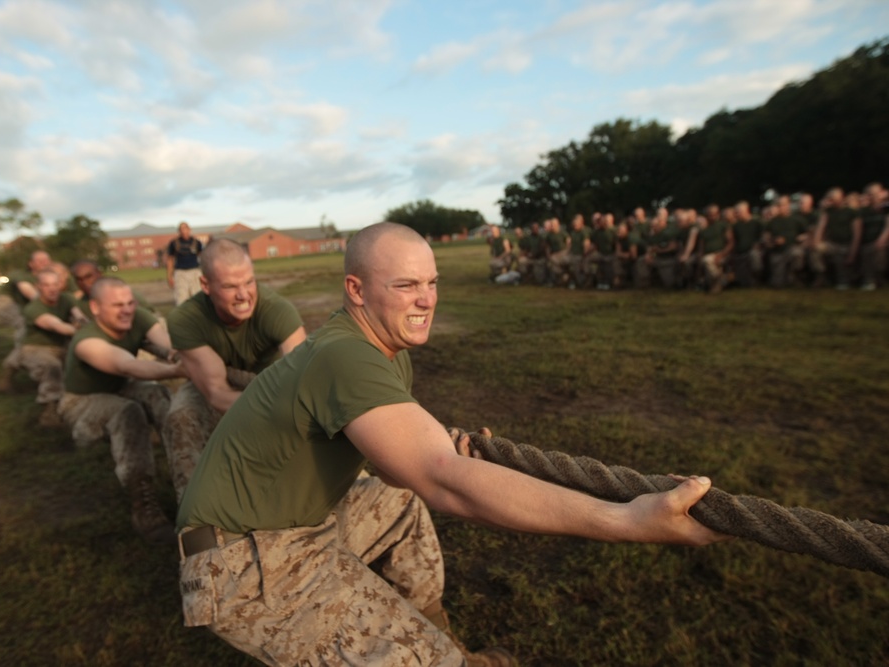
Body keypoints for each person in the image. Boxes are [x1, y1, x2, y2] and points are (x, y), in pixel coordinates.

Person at [175, 222, 726, 666]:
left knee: (398, 505)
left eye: (432, 282)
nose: (426, 299)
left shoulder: (386, 352)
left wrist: (439, 453)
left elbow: (404, 474)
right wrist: (627, 520)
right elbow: (443, 481)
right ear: (356, 290)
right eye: (406, 286)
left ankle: (438, 634)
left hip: (293, 528)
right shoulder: (345, 357)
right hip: (244, 561)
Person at [162, 239, 306, 501]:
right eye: (229, 286)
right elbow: (217, 393)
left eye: (249, 282)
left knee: (306, 421)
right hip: (211, 382)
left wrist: (289, 410)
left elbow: (302, 381)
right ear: (205, 285)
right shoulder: (185, 319)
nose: (244, 295)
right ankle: (196, 518)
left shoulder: (278, 311)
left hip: (270, 383)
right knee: (180, 418)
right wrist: (274, 412)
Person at [59, 277, 188, 543]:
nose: (127, 309)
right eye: (117, 305)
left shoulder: (136, 316)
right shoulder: (86, 341)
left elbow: (167, 343)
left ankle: (189, 476)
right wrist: (179, 369)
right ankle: (143, 505)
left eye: (130, 302)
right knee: (128, 413)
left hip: (119, 387)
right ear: (95, 308)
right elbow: (127, 366)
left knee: (159, 395)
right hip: (81, 402)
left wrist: (182, 356)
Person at [0, 269, 79, 425]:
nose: (52, 288)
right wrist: (80, 330)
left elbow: (79, 315)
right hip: (35, 348)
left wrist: (84, 323)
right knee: (52, 367)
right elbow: (55, 325)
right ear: (38, 287)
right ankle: (50, 410)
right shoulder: (33, 308)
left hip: (61, 348)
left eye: (55, 284)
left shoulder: (67, 299)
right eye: (46, 285)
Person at [0, 250, 52, 391]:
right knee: (26, 330)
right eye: (40, 261)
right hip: (4, 303)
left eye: (47, 260)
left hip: (26, 307)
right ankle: (11, 370)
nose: (45, 264)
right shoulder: (21, 275)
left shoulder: (51, 276)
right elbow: (28, 291)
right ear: (31, 264)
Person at [166, 222, 204, 305]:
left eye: (185, 229)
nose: (183, 231)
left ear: (189, 230)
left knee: (197, 296)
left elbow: (202, 257)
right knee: (181, 298)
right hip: (180, 272)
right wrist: (169, 276)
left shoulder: (197, 243)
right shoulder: (174, 243)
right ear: (179, 231)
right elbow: (170, 260)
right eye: (181, 229)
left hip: (194, 271)